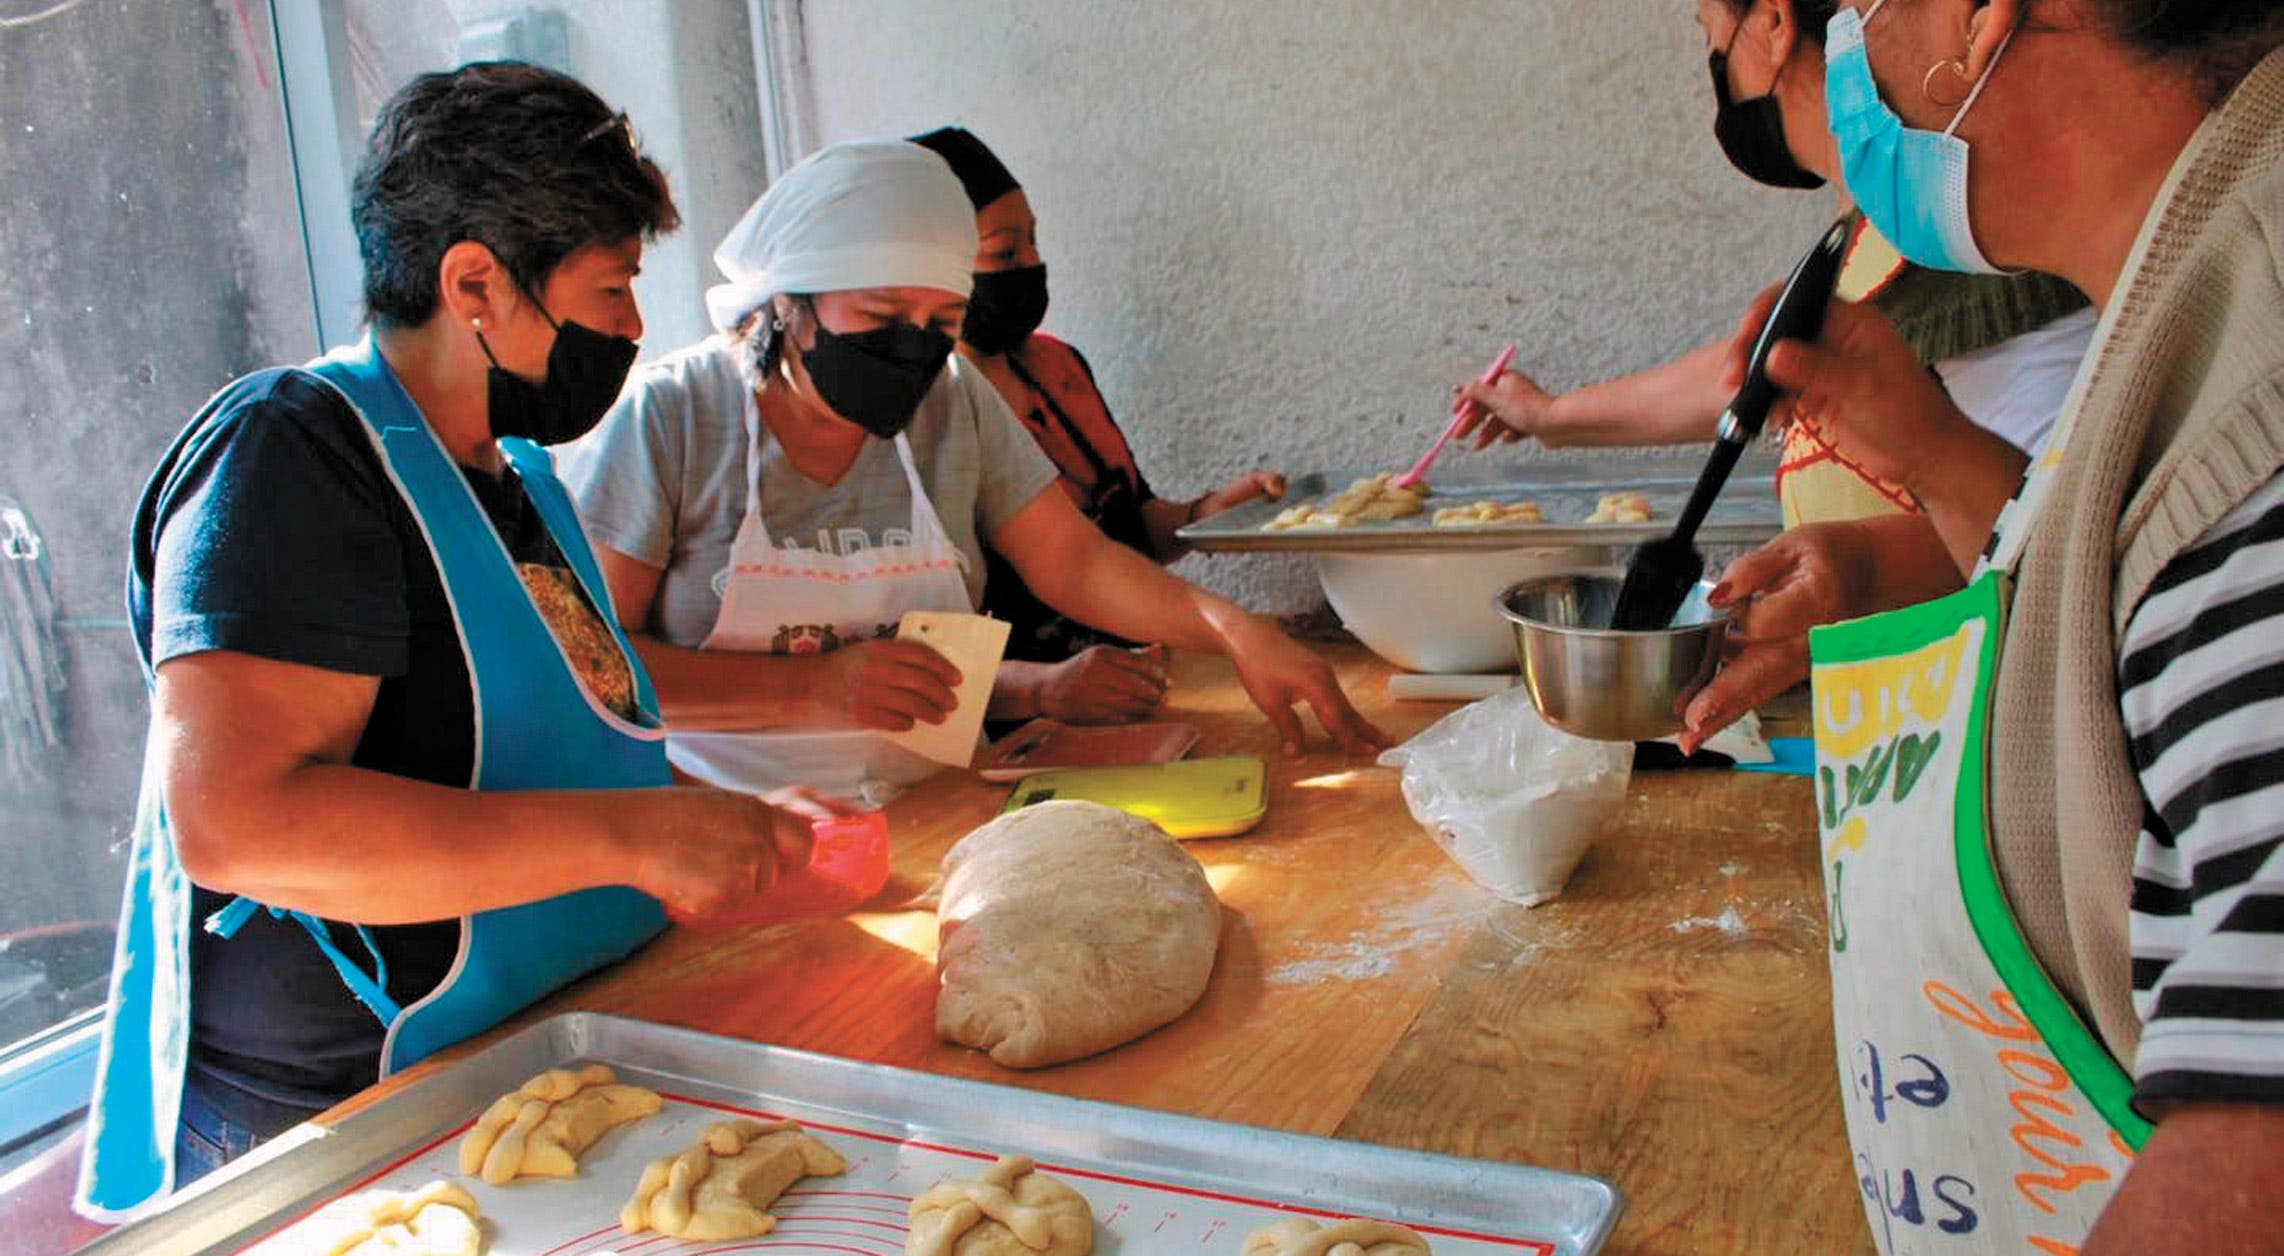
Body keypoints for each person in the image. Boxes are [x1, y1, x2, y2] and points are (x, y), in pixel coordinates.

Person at [76, 64, 827, 1218]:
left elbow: (535, 747)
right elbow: (238, 821)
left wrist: (700, 826)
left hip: (536, 1049)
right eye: (611, 287)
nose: (631, 327)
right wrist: (638, 832)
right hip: (355, 1115)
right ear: (474, 279)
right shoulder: (294, 455)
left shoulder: (515, 477)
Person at [1678, 1, 2284, 1248]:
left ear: (1970, 19)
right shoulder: (2192, 281)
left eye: (1852, 9)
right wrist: (1930, 474)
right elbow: (2140, 595)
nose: (1839, 52)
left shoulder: (2259, 373)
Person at [562, 139, 1381, 806]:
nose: (916, 347)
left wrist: (1235, 631)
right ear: (786, 301)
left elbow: (1076, 561)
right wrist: (817, 690)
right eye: (883, 318)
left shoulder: (952, 400)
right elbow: (594, 671)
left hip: (942, 800)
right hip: (728, 822)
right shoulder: (672, 418)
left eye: (941, 321)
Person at [1456, 0, 2094, 569]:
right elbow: (1757, 373)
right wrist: (1550, 417)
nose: (1714, 67)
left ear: (1773, 22)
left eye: (1711, 32)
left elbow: (2045, 531)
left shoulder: (1962, 233)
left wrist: (1863, 575)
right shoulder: (1871, 228)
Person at [906, 126, 1288, 729]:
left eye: (1033, 244)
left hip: (1135, 701)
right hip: (998, 731)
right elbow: (905, 654)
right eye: (1005, 254)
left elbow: (1116, 538)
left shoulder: (1057, 369)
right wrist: (1042, 689)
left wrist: (1204, 517)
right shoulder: (921, 413)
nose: (1030, 266)